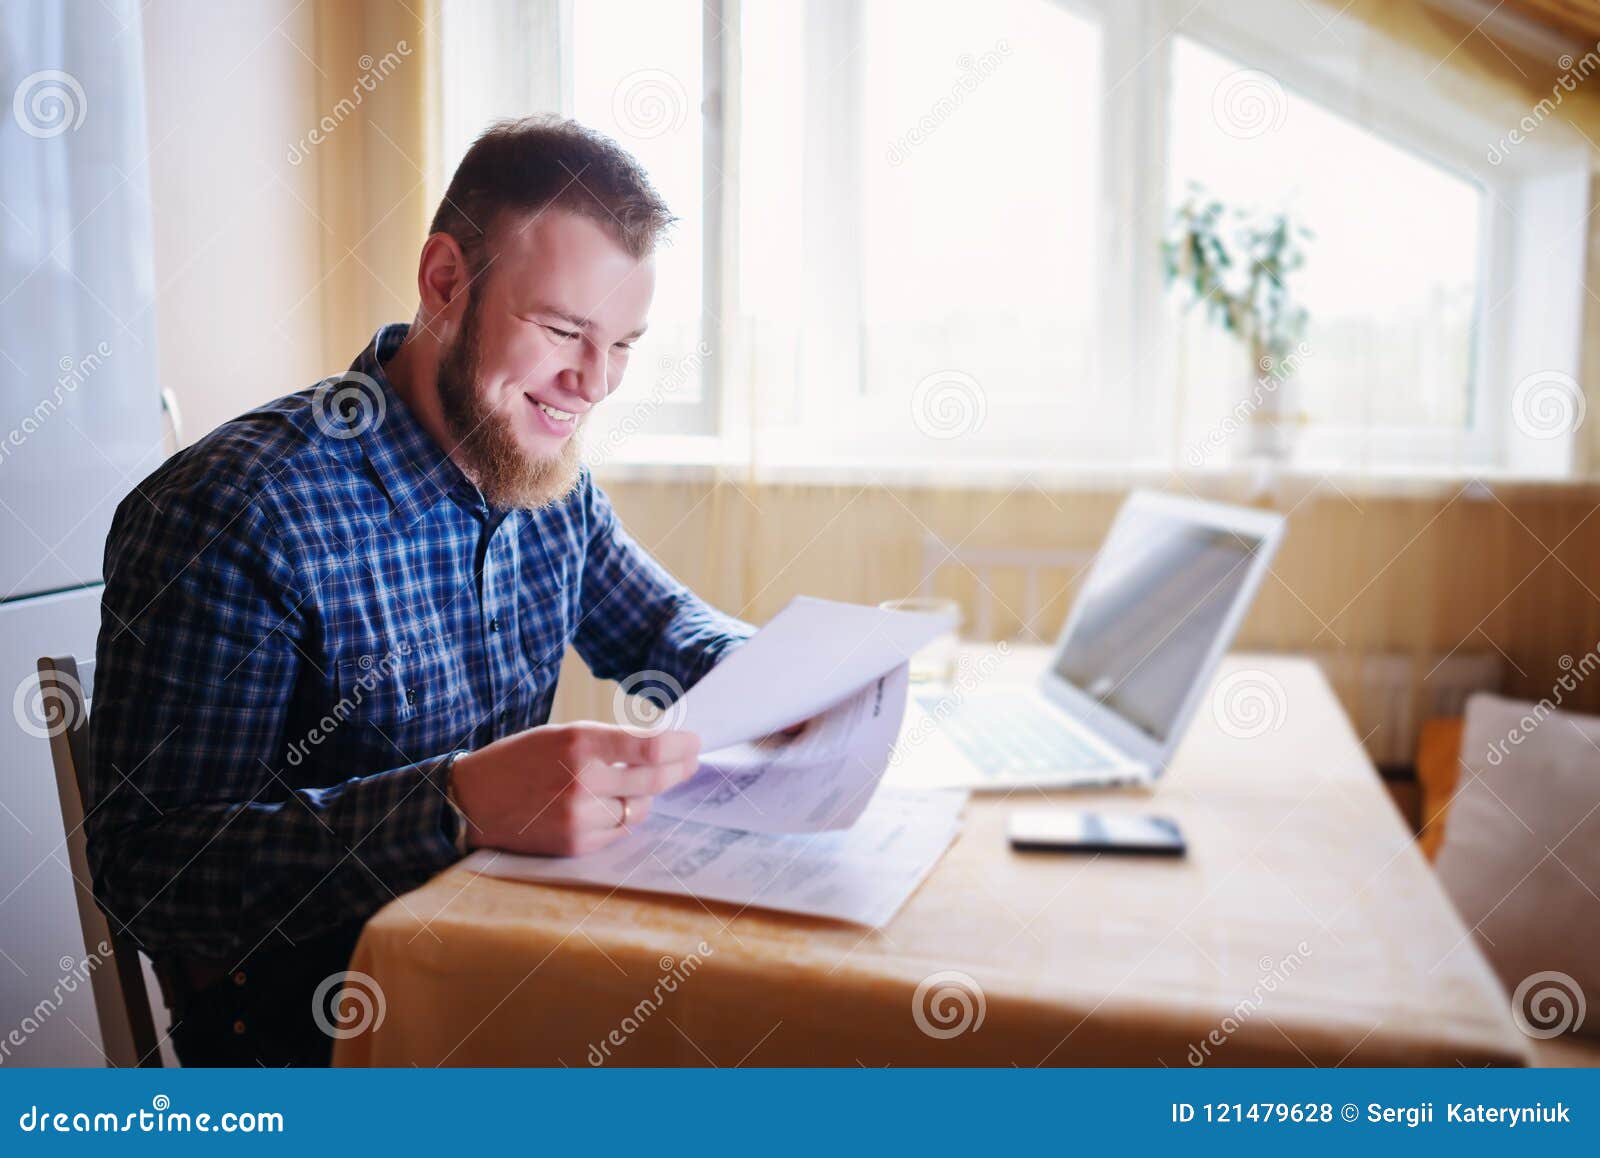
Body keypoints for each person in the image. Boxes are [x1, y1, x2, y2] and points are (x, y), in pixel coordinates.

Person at [87, 116, 751, 1066]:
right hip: (324, 1048)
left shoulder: (545, 479)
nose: (594, 383)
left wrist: (770, 676)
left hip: (507, 982)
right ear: (446, 282)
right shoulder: (236, 509)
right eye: (563, 329)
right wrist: (457, 805)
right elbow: (151, 872)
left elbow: (663, 625)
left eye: (624, 344)